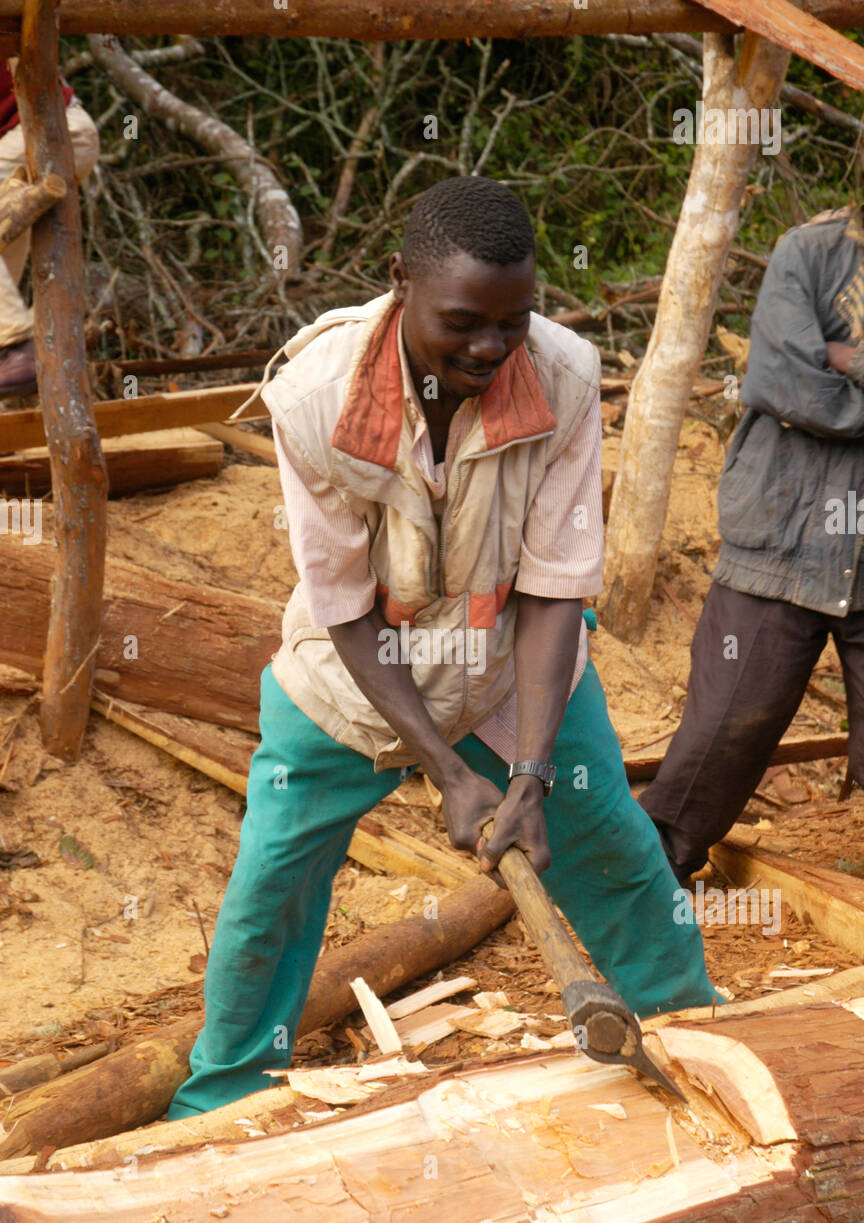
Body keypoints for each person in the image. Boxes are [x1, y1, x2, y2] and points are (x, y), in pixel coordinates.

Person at [168, 176, 719, 1119]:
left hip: (514, 664)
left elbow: (553, 591)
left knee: (619, 859)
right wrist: (448, 774)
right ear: (399, 284)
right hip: (351, 680)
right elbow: (344, 607)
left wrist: (531, 776)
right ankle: (219, 1104)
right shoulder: (311, 400)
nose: (490, 347)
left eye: (515, 320)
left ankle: (697, 1040)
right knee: (274, 886)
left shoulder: (567, 377)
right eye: (463, 321)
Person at [640, 196, 864, 883]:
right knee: (720, 736)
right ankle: (647, 882)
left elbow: (824, 382)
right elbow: (791, 384)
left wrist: (845, 359)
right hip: (785, 534)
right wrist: (825, 370)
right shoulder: (811, 251)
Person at [0, 57, 100, 396]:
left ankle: (18, 344)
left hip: (53, 129)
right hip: (35, 136)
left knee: (7, 325)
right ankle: (13, 351)